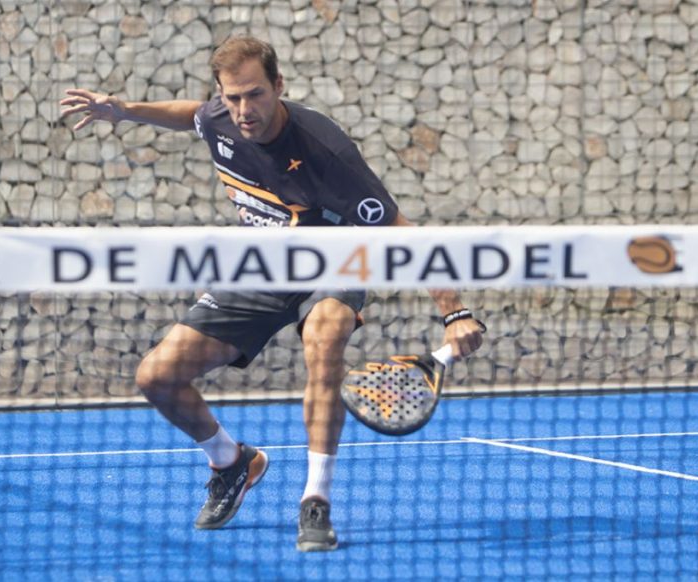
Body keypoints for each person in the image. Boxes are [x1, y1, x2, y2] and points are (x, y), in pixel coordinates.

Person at [60, 36, 485, 552]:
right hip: (262, 264)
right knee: (156, 377)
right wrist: (125, 110)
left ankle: (315, 500)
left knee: (324, 342)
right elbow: (191, 115)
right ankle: (231, 461)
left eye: (255, 94)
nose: (244, 109)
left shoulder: (326, 151)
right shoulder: (219, 118)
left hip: (333, 259)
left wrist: (454, 312)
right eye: (233, 97)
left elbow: (402, 232)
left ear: (279, 85)